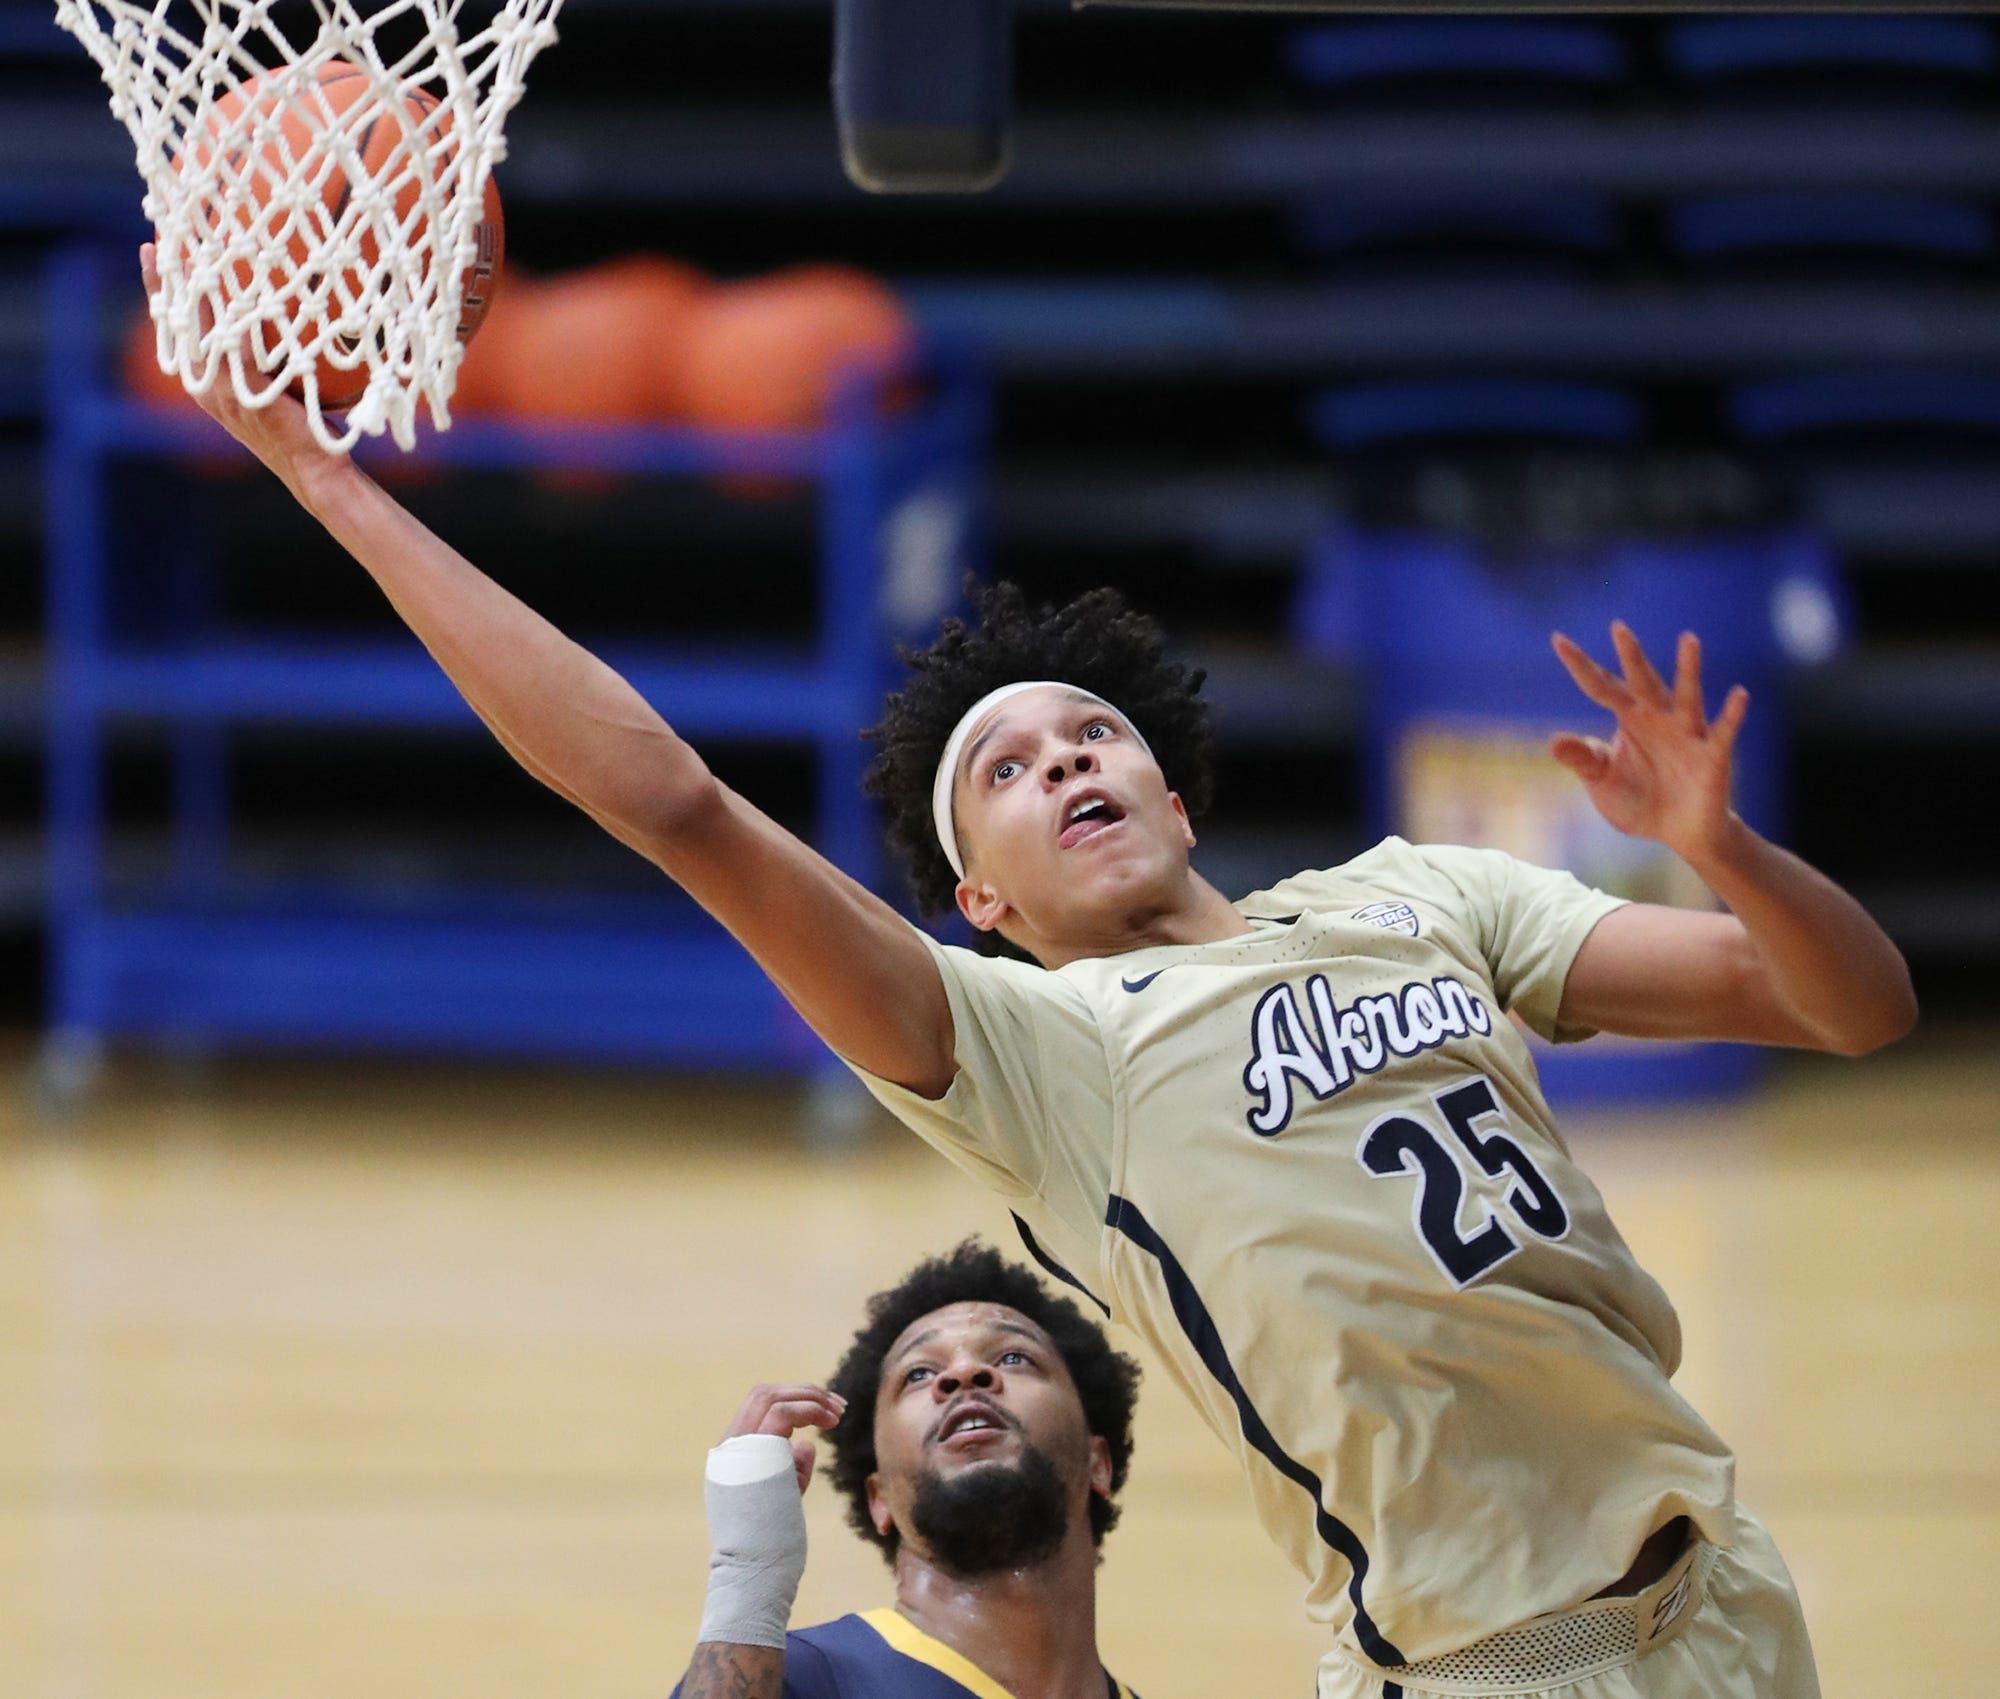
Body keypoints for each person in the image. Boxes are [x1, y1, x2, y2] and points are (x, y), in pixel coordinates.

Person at [152, 241, 1917, 1697]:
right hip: (1486, 1664)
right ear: (978, 899)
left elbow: (1851, 1003)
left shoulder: (1425, 890)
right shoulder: (1033, 1048)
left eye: (1092, 734)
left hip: (1735, 1587)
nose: (1070, 760)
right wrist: (325, 478)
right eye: (1008, 768)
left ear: (1167, 777)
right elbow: (670, 800)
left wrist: (1726, 843)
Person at [674, 1241, 1142, 1699]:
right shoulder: (792, 1677)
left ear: (1096, 1463)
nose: (961, 1374)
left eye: (1013, 1357)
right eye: (918, 1373)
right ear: (879, 1499)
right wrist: (748, 1579)